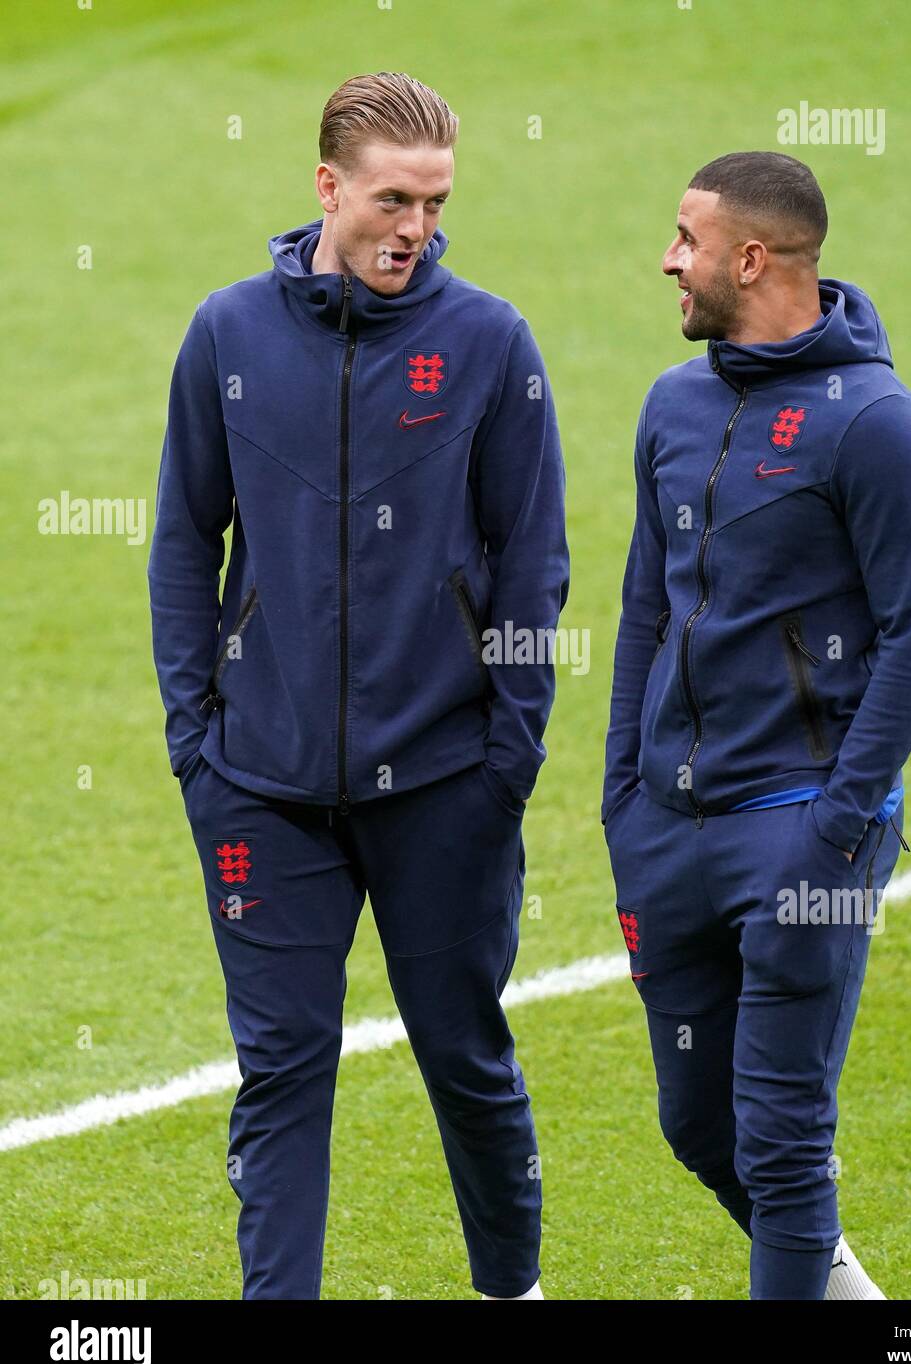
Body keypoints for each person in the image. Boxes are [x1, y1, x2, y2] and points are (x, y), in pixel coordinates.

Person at [147, 71, 568, 1301]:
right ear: (328, 187)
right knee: (282, 1070)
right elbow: (186, 540)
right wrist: (196, 740)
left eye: (435, 203)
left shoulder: (490, 343)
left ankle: (512, 1291)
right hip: (259, 789)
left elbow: (533, 569)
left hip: (445, 784)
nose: (415, 228)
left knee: (463, 1055)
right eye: (393, 199)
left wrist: (507, 761)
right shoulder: (227, 334)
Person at [602, 151, 911, 1300]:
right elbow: (645, 608)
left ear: (749, 258)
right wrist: (623, 796)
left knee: (784, 1143)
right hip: (667, 831)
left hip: (799, 834)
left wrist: (839, 826)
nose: (668, 258)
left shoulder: (878, 426)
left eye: (684, 238)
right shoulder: (674, 402)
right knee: (698, 1127)